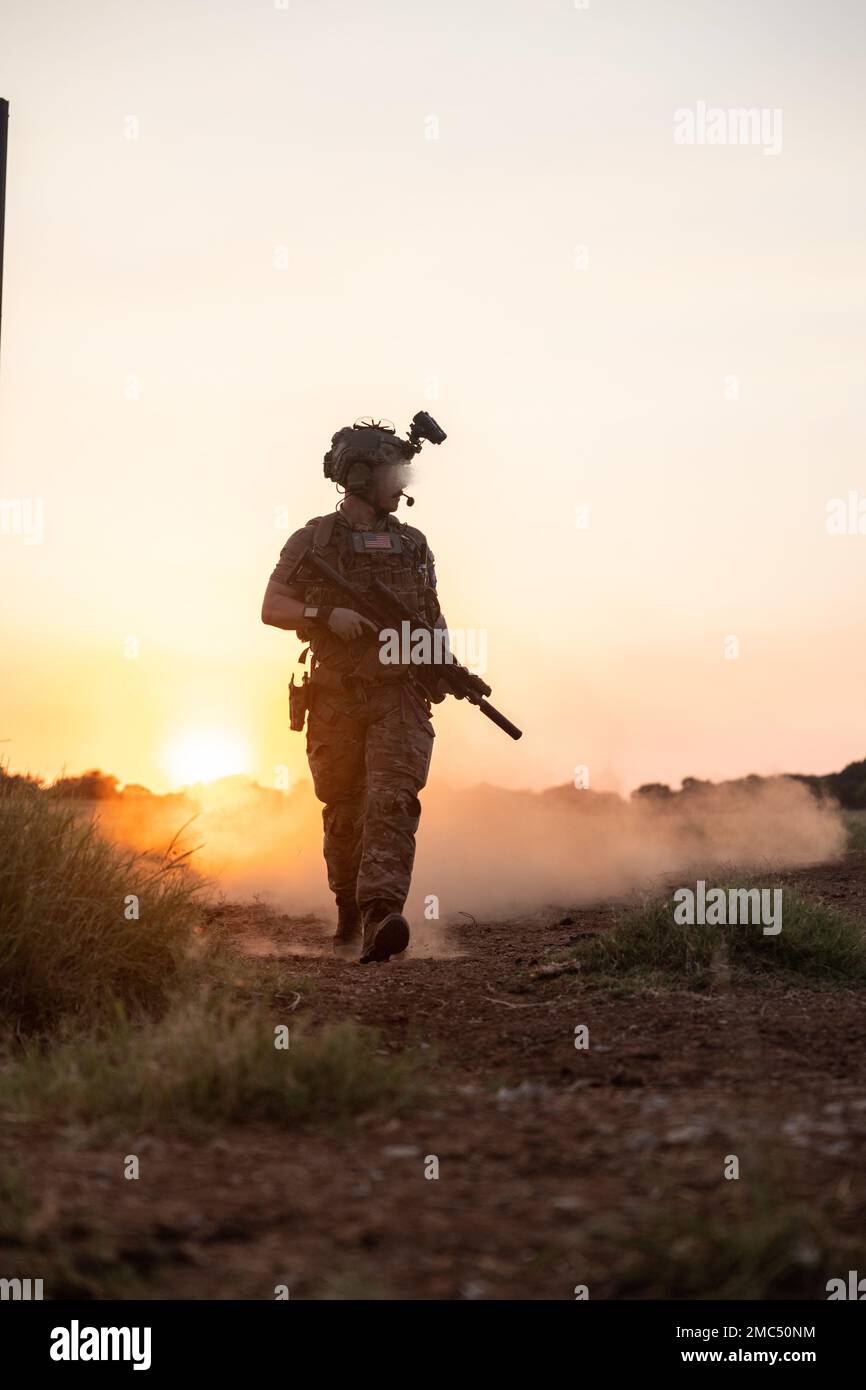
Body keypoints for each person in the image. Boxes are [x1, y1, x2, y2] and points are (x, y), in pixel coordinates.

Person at [261, 418, 448, 963]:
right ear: (361, 476)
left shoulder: (413, 544)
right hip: (336, 696)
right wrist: (325, 613)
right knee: (344, 810)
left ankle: (379, 915)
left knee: (392, 799)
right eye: (395, 472)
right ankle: (348, 906)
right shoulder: (313, 540)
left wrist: (442, 667)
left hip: (398, 694)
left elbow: (432, 618)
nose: (404, 484)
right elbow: (272, 607)